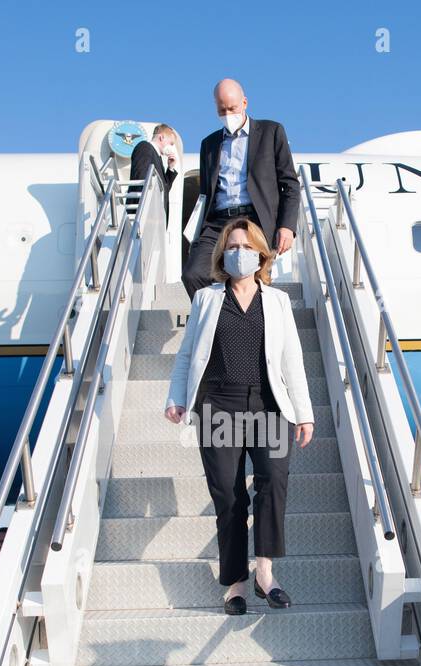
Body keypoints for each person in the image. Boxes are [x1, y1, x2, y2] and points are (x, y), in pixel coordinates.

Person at [165, 219, 314, 615]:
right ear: (221, 255)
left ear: (261, 253)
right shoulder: (207, 299)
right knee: (229, 496)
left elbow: (292, 360)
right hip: (219, 404)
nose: (238, 252)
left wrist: (304, 413)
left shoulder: (277, 301)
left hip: (268, 404)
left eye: (246, 246)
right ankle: (236, 582)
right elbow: (186, 354)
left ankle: (265, 569)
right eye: (231, 246)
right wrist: (177, 397)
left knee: (273, 479)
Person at [181, 78, 300, 300]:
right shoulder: (209, 144)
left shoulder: (272, 132)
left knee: (251, 279)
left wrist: (287, 226)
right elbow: (206, 192)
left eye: (232, 108)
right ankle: (219, 322)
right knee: (193, 274)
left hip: (256, 219)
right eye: (222, 109)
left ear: (245, 103)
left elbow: (290, 183)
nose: (228, 114)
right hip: (217, 221)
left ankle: (243, 324)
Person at [130, 123, 179, 225]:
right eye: (171, 143)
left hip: (154, 220)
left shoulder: (158, 158)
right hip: (144, 217)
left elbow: (163, 190)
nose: (172, 147)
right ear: (161, 137)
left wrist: (170, 168)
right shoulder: (145, 147)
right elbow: (141, 177)